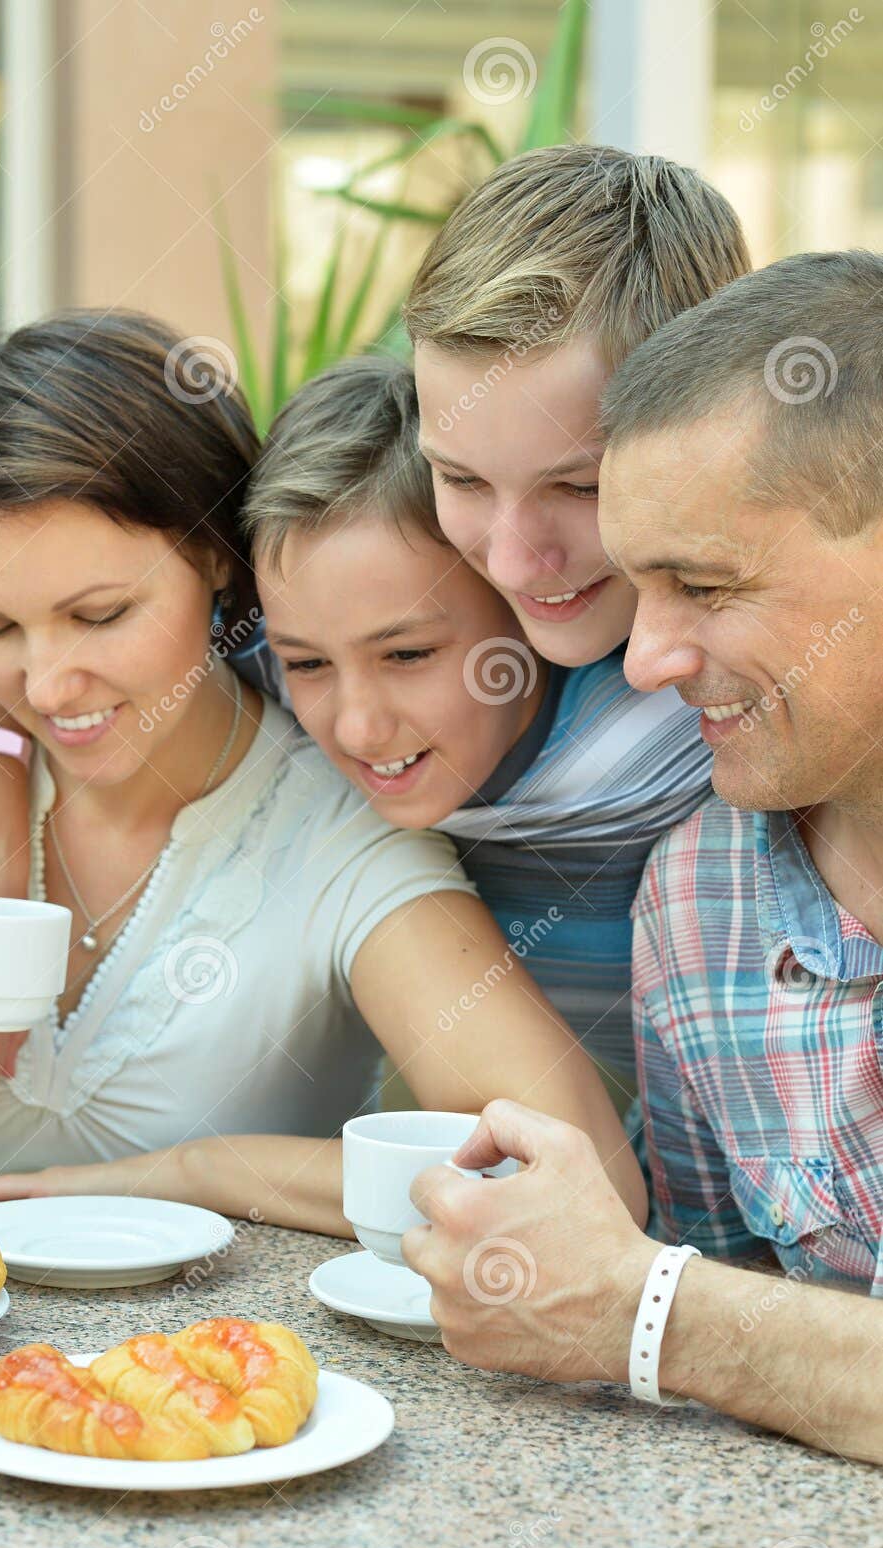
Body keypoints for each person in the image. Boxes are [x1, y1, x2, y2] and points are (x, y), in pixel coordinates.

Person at [0, 145, 750, 1122]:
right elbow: (36, 605)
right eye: (463, 479)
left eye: (580, 486)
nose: (513, 559)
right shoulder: (310, 623)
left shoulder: (732, 691)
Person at [0, 309, 641, 1227]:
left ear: (216, 555)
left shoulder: (334, 829)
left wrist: (196, 1172)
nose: (48, 685)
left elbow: (584, 1177)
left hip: (248, 1364)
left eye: (100, 616)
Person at [403, 252, 883, 1466]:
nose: (645, 659)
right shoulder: (696, 897)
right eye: (641, 581)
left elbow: (678, 1319)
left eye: (705, 585)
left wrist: (645, 1311)